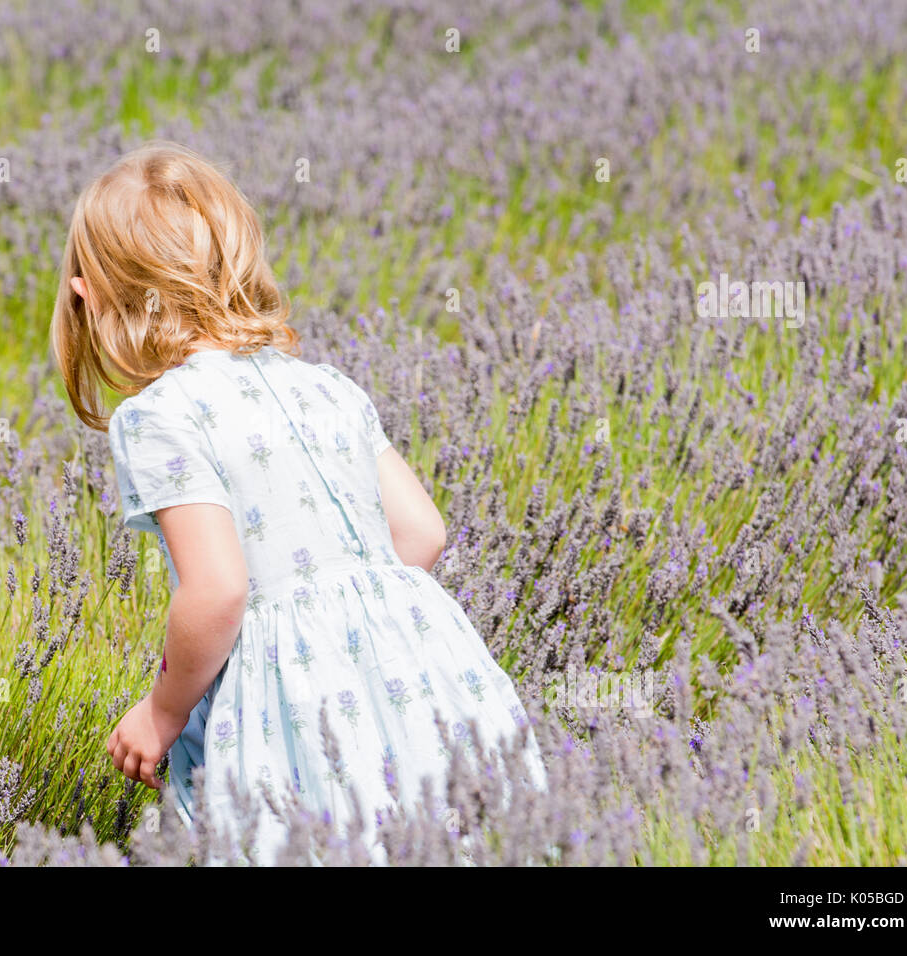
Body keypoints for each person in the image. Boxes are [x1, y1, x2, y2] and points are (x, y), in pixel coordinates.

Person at [50, 141, 547, 864]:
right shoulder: (327, 386)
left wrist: (163, 710)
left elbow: (219, 589)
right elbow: (422, 534)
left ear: (89, 294)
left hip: (292, 694)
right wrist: (353, 607)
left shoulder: (157, 416)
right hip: (424, 663)